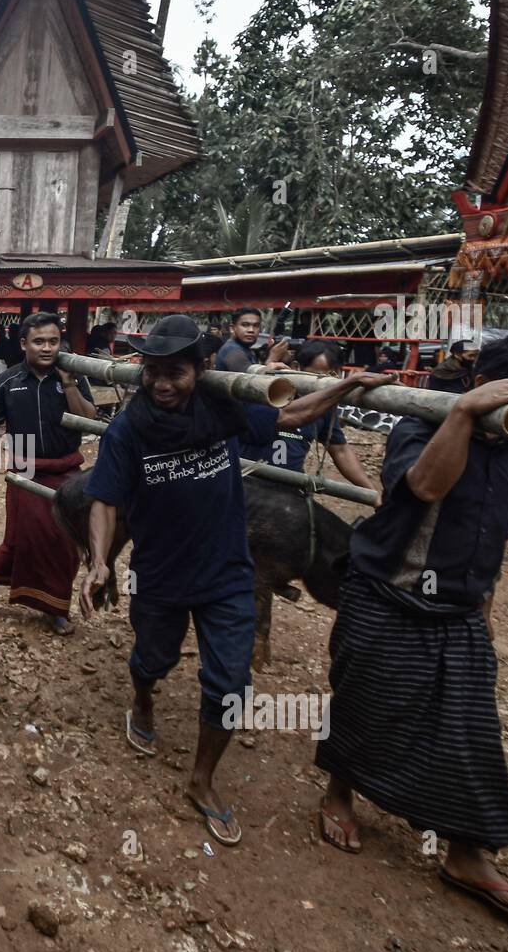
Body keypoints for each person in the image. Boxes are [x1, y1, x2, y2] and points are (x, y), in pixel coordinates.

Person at [80, 315, 393, 846]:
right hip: (160, 572)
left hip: (227, 571)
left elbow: (290, 415)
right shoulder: (127, 431)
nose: (162, 384)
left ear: (199, 369)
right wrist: (99, 562)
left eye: (175, 373)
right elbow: (105, 500)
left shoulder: (221, 405)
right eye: (153, 372)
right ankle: (144, 698)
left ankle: (202, 780)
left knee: (231, 683)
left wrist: (344, 387)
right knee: (152, 659)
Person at [315, 333, 508, 927]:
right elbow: (426, 487)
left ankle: (466, 854)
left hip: (460, 608)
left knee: (470, 728)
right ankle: (338, 793)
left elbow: (498, 537)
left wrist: (485, 610)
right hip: (388, 591)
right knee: (364, 702)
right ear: (486, 386)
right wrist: (462, 413)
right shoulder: (421, 424)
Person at [0, 312, 98, 634]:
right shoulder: (6, 381)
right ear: (24, 344)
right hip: (25, 470)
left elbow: (90, 418)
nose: (47, 348)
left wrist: (69, 382)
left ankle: (55, 606)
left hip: (67, 469)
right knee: (19, 538)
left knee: (65, 540)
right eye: (39, 342)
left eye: (53, 341)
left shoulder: (73, 374)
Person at [242, 340, 378, 493]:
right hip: (250, 482)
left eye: (332, 376)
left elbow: (340, 450)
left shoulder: (324, 406)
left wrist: (372, 493)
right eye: (317, 376)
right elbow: (287, 416)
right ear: (296, 368)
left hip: (290, 486)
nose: (325, 384)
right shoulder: (272, 392)